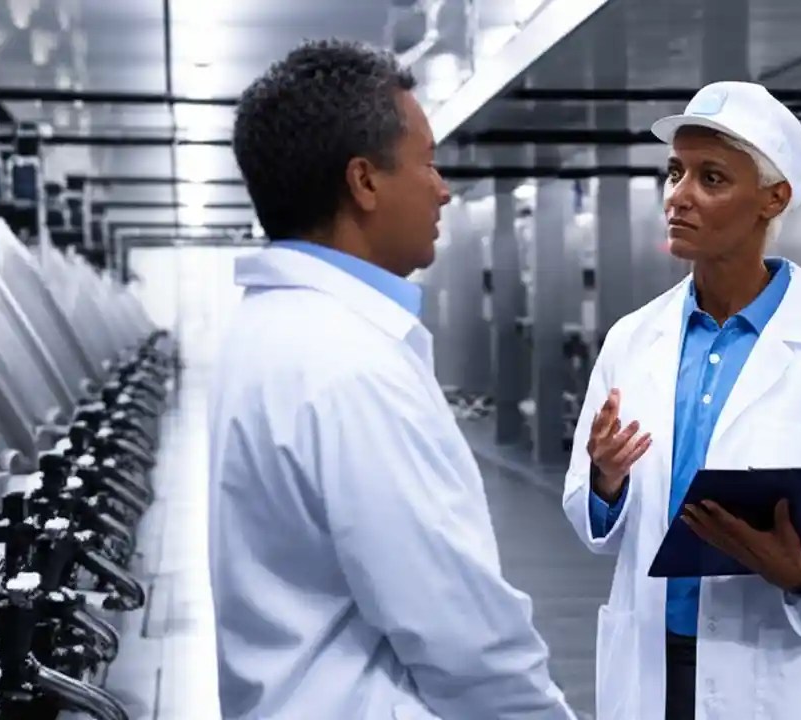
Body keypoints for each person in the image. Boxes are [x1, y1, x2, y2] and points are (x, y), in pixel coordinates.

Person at [208, 39, 575, 720]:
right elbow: (461, 631)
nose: (442, 189)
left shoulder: (269, 331)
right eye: (427, 163)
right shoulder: (346, 363)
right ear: (364, 182)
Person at [562, 81, 801, 719]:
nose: (679, 196)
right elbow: (594, 522)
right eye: (675, 172)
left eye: (711, 179)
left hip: (775, 676)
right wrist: (604, 483)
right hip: (649, 667)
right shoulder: (633, 340)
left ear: (774, 198)